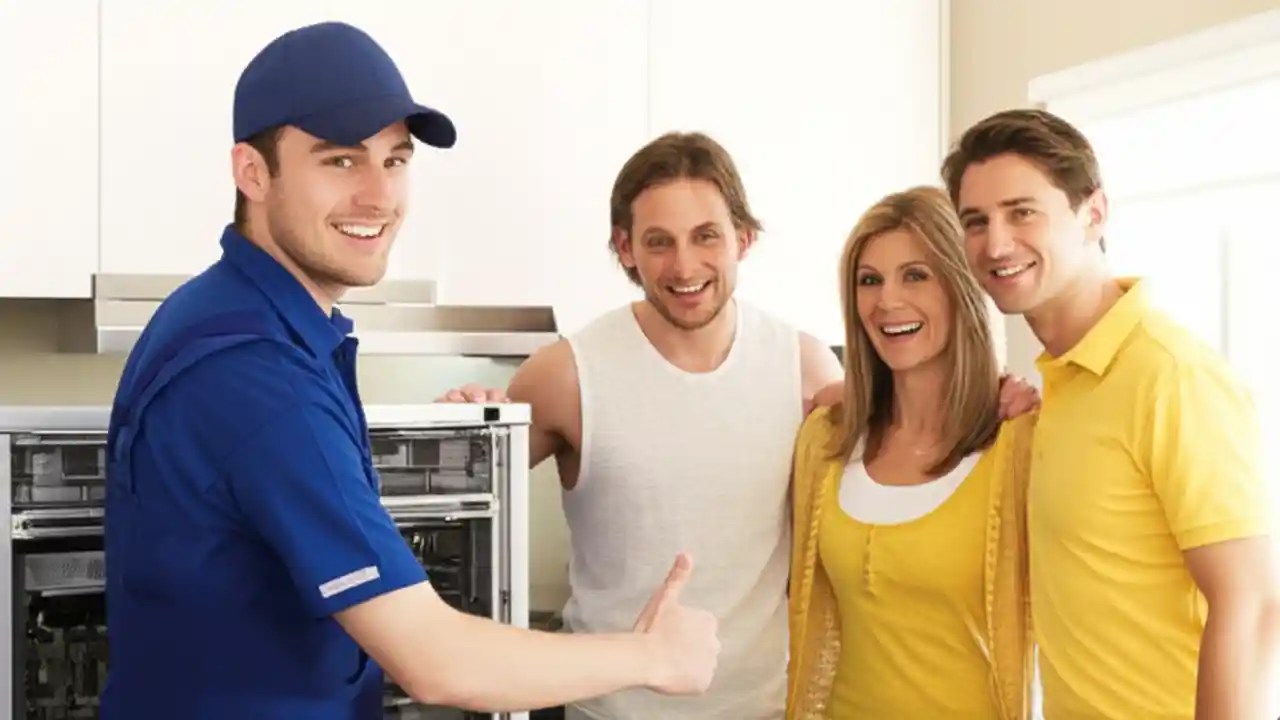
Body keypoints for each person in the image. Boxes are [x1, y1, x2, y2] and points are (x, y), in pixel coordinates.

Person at [101, 22, 721, 720]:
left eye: (395, 160)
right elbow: (438, 663)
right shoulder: (258, 378)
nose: (379, 196)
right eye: (340, 161)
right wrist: (654, 656)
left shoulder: (229, 318)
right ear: (253, 172)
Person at [441, 131, 1040, 719]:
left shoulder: (802, 365)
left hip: (766, 709)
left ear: (743, 240)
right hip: (614, 712)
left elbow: (912, 407)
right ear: (624, 248)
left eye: (706, 236)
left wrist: (1006, 390)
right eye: (658, 241)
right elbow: (458, 499)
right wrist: (460, 422)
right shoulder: (566, 375)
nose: (685, 265)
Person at [943, 108, 1280, 719]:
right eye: (976, 221)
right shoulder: (1060, 383)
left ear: (1093, 213)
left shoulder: (1170, 373)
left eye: (1022, 212)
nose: (996, 243)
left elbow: (1254, 605)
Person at [786, 186, 1034, 719]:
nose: (887, 301)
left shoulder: (1020, 443)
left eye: (915, 275)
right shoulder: (825, 442)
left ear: (961, 286)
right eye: (869, 280)